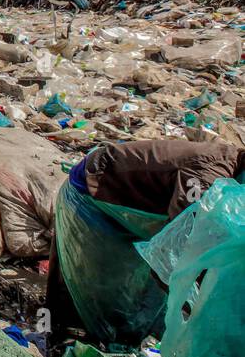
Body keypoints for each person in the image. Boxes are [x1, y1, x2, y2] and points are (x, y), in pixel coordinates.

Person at [47, 140, 245, 345]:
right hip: (94, 197)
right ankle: (69, 343)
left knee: (141, 303)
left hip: (134, 211)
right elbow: (174, 248)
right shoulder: (206, 175)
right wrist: (198, 303)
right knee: (98, 299)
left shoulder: (232, 174)